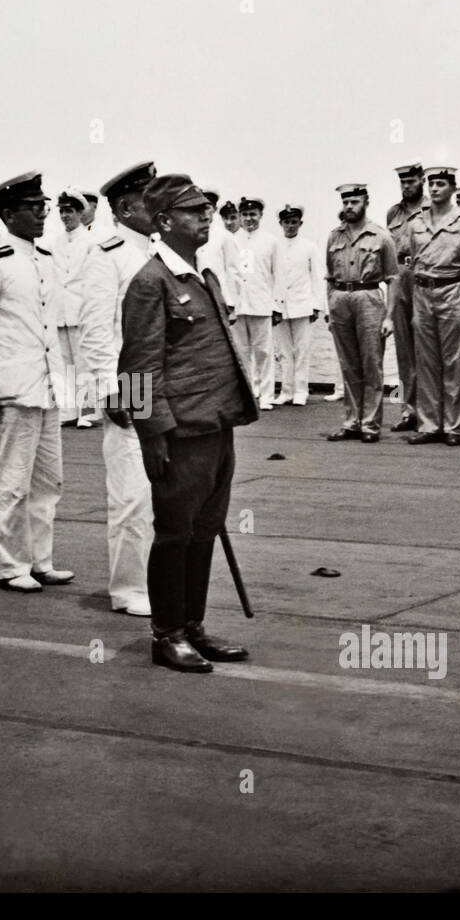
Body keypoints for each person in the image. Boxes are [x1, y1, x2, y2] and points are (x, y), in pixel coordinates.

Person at [118, 174, 255, 673]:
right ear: (162, 221)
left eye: (205, 209)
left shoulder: (205, 278)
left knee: (205, 530)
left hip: (218, 425)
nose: (205, 216)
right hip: (180, 433)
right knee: (174, 533)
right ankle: (167, 634)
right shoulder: (149, 283)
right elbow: (135, 369)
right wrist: (151, 435)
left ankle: (193, 627)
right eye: (192, 210)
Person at [0, 172, 73, 593]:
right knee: (11, 481)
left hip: (44, 386)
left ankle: (40, 559)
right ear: (8, 214)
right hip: (11, 388)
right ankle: (10, 564)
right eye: (32, 207)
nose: (42, 213)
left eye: (43, 206)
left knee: (48, 481)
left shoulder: (44, 258)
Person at [77, 160, 157, 618]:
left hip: (162, 383)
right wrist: (111, 390)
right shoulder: (105, 254)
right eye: (148, 198)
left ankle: (156, 580)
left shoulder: (156, 251)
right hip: (132, 382)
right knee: (131, 492)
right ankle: (129, 588)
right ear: (126, 207)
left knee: (162, 491)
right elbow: (95, 329)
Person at [404, 167, 460, 446]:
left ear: (453, 188)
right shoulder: (415, 223)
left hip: (452, 290)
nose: (435, 189)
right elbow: (413, 262)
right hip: (423, 292)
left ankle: (453, 425)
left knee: (454, 362)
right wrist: (415, 305)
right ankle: (429, 424)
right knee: (426, 362)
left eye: (441, 184)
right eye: (432, 184)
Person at [324, 185, 398, 442]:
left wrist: (389, 316)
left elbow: (393, 278)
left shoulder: (380, 236)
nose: (349, 207)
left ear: (366, 202)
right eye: (346, 203)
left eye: (355, 202)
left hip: (368, 298)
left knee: (371, 363)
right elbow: (330, 277)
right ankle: (351, 421)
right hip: (340, 299)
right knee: (349, 364)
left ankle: (370, 424)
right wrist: (330, 307)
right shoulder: (334, 237)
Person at [47, 187, 100, 427]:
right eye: (62, 211)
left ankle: (89, 410)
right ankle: (69, 410)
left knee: (84, 360)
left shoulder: (90, 242)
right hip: (60, 309)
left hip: (81, 308)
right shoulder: (54, 243)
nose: (65, 216)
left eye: (69, 211)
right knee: (64, 360)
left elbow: (93, 278)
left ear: (80, 213)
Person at [230, 196, 281, 409]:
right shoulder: (233, 240)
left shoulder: (271, 241)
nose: (249, 219)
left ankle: (267, 395)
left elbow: (278, 276)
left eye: (253, 214)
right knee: (241, 353)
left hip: (262, 304)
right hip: (240, 306)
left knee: (264, 353)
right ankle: (248, 394)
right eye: (245, 215)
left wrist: (276, 306)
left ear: (260, 215)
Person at [385, 163, 424, 430]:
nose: (407, 186)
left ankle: (433, 410)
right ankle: (408, 410)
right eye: (403, 182)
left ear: (422, 180)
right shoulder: (393, 212)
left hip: (425, 277)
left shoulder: (433, 209)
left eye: (411, 181)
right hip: (401, 277)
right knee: (403, 350)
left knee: (429, 348)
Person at [272, 204, 322, 406]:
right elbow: (271, 277)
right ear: (281, 224)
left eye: (294, 222)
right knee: (284, 351)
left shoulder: (310, 246)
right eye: (287, 222)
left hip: (302, 304)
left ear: (300, 223)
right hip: (281, 306)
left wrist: (316, 305)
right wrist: (272, 305)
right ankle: (286, 390)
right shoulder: (275, 246)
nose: (290, 226)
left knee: (302, 350)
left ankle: (301, 391)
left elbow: (317, 277)